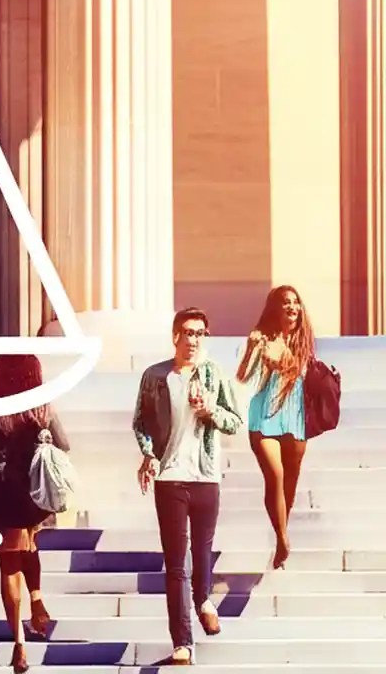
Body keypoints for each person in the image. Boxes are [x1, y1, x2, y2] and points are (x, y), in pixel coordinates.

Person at [132, 307, 243, 666]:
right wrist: (148, 454)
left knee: (203, 552)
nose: (193, 340)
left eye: (200, 333)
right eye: (188, 332)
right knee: (176, 564)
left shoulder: (214, 375)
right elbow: (140, 423)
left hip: (206, 475)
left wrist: (210, 410)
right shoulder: (156, 376)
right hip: (169, 478)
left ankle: (203, 600)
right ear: (175, 336)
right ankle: (183, 641)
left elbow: (234, 422)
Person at [0, 354, 69, 673]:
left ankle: (18, 643)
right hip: (33, 494)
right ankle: (37, 597)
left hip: (2, 496)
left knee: (7, 567)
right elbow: (65, 444)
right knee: (29, 543)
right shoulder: (43, 408)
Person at [235, 285, 315, 570]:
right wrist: (251, 349)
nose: (292, 307)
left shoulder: (304, 340)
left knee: (290, 482)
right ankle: (282, 539)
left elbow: (297, 370)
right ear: (275, 308)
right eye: (285, 303)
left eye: (296, 302)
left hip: (294, 417)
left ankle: (283, 527)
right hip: (263, 417)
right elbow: (243, 376)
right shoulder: (262, 339)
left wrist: (281, 361)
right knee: (276, 475)